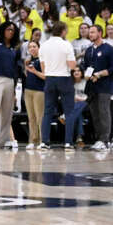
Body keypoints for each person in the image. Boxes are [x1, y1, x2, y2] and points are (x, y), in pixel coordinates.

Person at [80, 24, 113, 150]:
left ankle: (105, 140)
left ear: (100, 33)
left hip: (105, 86)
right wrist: (86, 74)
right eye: (89, 32)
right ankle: (99, 138)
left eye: (92, 32)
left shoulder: (109, 49)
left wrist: (101, 73)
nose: (90, 34)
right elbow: (85, 66)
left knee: (104, 112)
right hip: (91, 86)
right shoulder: (89, 50)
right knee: (95, 114)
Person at [39, 21, 77, 150]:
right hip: (64, 79)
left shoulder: (43, 46)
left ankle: (44, 141)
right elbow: (72, 66)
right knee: (69, 112)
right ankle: (68, 142)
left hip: (49, 79)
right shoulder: (66, 45)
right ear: (63, 31)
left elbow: (43, 68)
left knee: (48, 112)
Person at [22, 41, 46, 146]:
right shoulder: (28, 60)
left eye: (34, 46)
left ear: (39, 47)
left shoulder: (42, 60)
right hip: (28, 90)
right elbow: (27, 74)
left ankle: (42, 140)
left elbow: (45, 76)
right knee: (31, 117)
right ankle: (33, 140)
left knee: (40, 116)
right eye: (30, 47)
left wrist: (35, 71)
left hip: (39, 90)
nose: (32, 48)